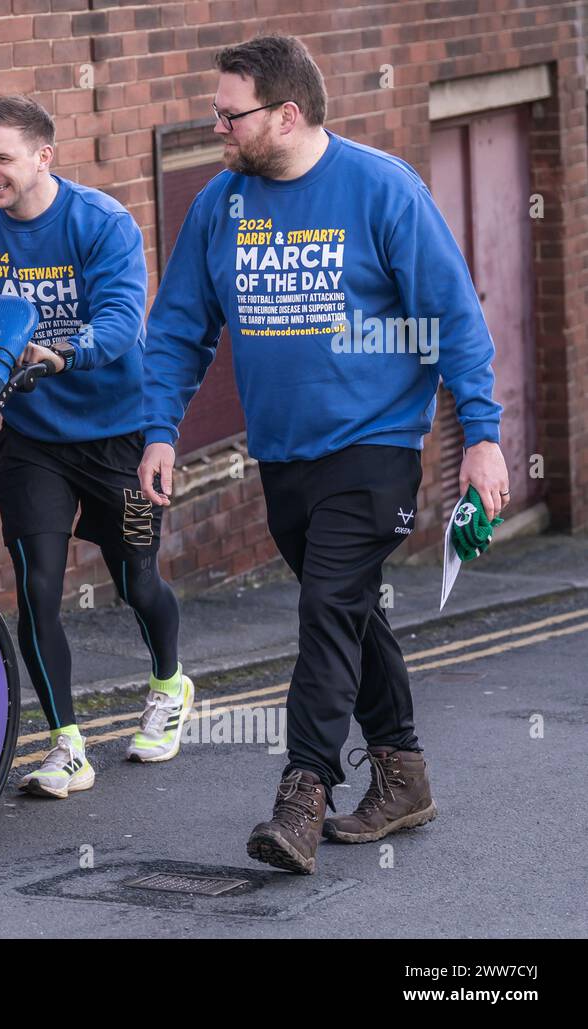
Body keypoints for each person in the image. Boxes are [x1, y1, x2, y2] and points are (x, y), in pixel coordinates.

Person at [139, 35, 509, 873]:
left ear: (288, 114)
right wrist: (161, 428)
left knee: (326, 609)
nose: (218, 130)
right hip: (285, 455)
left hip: (375, 446)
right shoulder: (221, 204)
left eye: (230, 116)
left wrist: (483, 437)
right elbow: (178, 329)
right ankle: (403, 773)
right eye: (214, 115)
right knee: (348, 611)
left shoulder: (381, 190)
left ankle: (303, 791)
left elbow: (455, 318)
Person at [0, 96, 190, 800]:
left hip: (120, 437)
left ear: (44, 157)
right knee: (37, 587)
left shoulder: (101, 224)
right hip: (33, 439)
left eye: (2, 158)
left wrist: (64, 352)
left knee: (136, 575)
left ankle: (168, 682)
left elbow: (125, 320)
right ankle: (66, 745)